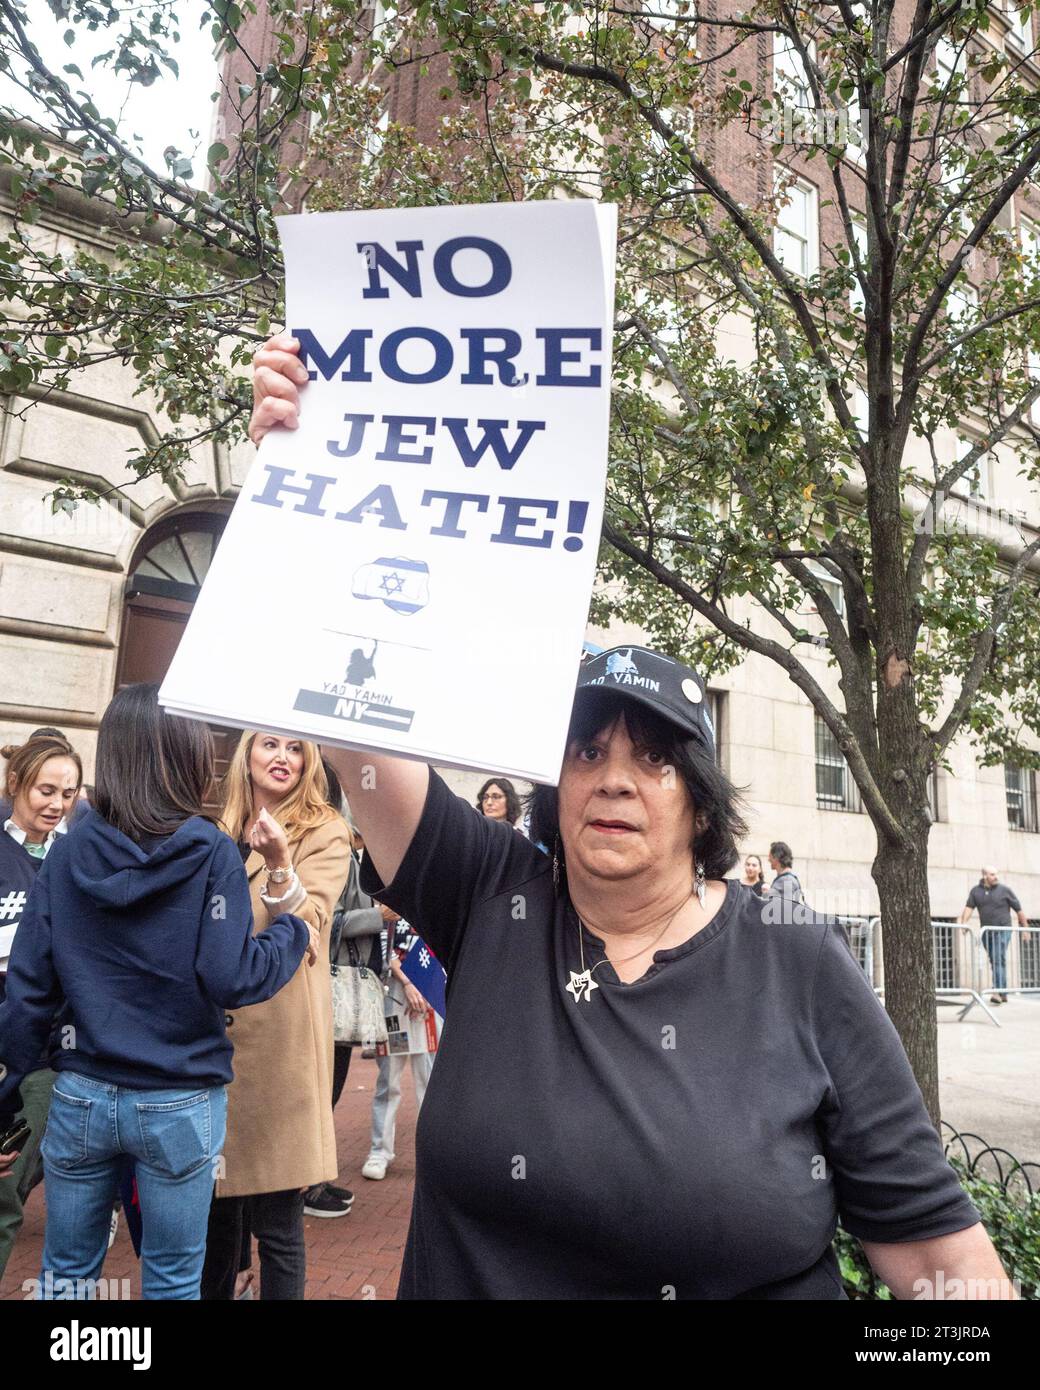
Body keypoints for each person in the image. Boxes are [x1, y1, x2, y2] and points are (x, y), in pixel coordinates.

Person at [250, 333, 1012, 1299]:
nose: (615, 779)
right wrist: (304, 478)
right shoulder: (491, 893)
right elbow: (350, 722)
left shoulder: (797, 960)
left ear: (701, 803)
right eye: (587, 752)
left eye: (653, 759)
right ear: (553, 785)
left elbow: (944, 1265)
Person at [0, 685, 316, 1299]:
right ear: (187, 755)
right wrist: (291, 932)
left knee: (66, 1274)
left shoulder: (67, 856)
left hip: (83, 1091)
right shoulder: (211, 853)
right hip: (178, 1095)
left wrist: (14, 1092)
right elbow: (233, 975)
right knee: (172, 1280)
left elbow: (28, 988)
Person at [201, 731, 350, 1300]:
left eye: (295, 748)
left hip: (281, 1049)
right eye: (269, 744)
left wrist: (281, 863)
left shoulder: (324, 830)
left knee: (278, 1225)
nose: (283, 757)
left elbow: (311, 926)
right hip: (215, 1046)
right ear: (248, 754)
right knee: (215, 1222)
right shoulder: (217, 831)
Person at [0, 733, 82, 1279]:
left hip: (39, 1057)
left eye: (68, 793)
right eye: (44, 789)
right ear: (16, 785)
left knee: (5, 1197)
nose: (55, 803)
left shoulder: (78, 858)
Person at [360, 917, 440, 1183]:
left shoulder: (433, 899)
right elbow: (386, 950)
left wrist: (426, 985)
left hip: (429, 997)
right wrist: (408, 982)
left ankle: (432, 1155)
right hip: (395, 998)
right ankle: (380, 1151)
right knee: (388, 1082)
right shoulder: (388, 904)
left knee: (429, 1084)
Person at [958, 867, 1031, 1004]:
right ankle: (1003, 992)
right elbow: (969, 908)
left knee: (997, 957)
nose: (996, 877)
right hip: (987, 932)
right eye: (992, 874)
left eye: (996, 874)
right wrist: (963, 923)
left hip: (1003, 929)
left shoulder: (1005, 890)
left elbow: (1019, 910)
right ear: (985, 875)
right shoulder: (976, 891)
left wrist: (1025, 929)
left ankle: (997, 991)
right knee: (996, 960)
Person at [768, 841, 804, 909]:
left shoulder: (787, 880)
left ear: (776, 857)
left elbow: (787, 911)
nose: (768, 859)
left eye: (770, 856)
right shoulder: (785, 879)